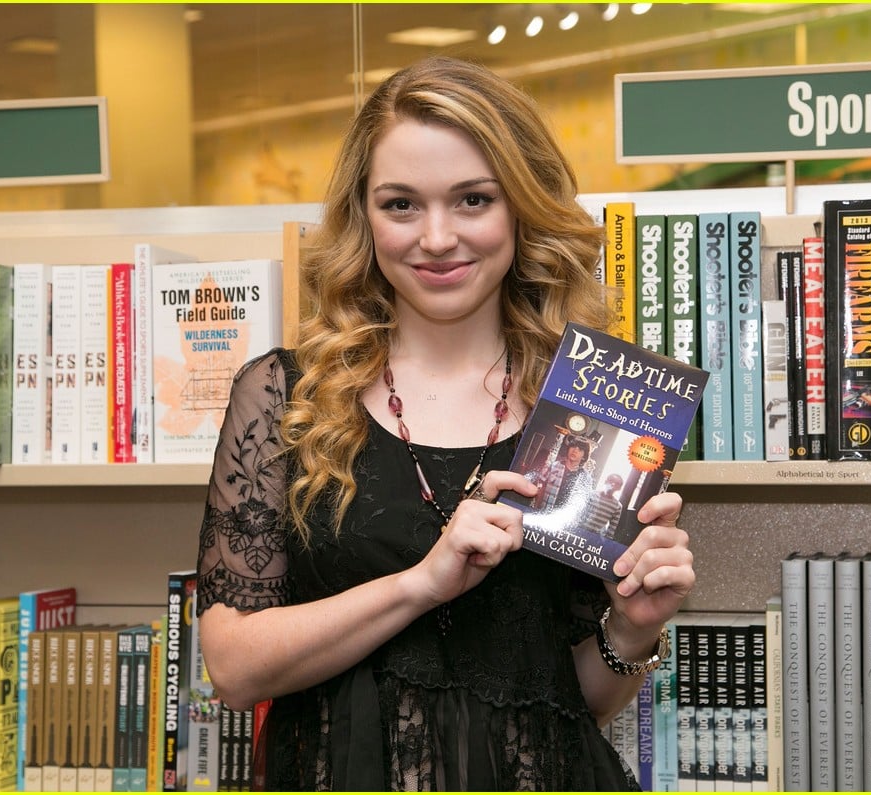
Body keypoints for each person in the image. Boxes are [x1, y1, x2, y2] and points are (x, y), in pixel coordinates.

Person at [195, 55, 694, 791]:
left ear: (521, 206)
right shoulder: (287, 397)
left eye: (471, 200)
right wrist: (422, 584)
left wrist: (630, 628)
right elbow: (233, 669)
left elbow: (565, 703)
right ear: (363, 216)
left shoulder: (593, 407)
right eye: (400, 204)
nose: (435, 237)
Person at [530, 436, 594, 511]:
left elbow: (584, 502)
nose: (575, 451)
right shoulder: (554, 466)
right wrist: (535, 508)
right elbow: (540, 488)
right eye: (573, 447)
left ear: (584, 456)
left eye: (580, 449)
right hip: (544, 511)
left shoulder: (585, 477)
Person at [579, 473, 626, 539]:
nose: (613, 484)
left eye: (617, 483)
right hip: (580, 531)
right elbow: (580, 513)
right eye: (611, 480)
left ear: (619, 488)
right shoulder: (591, 494)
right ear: (605, 481)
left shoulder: (617, 506)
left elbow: (612, 528)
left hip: (597, 538)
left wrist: (607, 542)